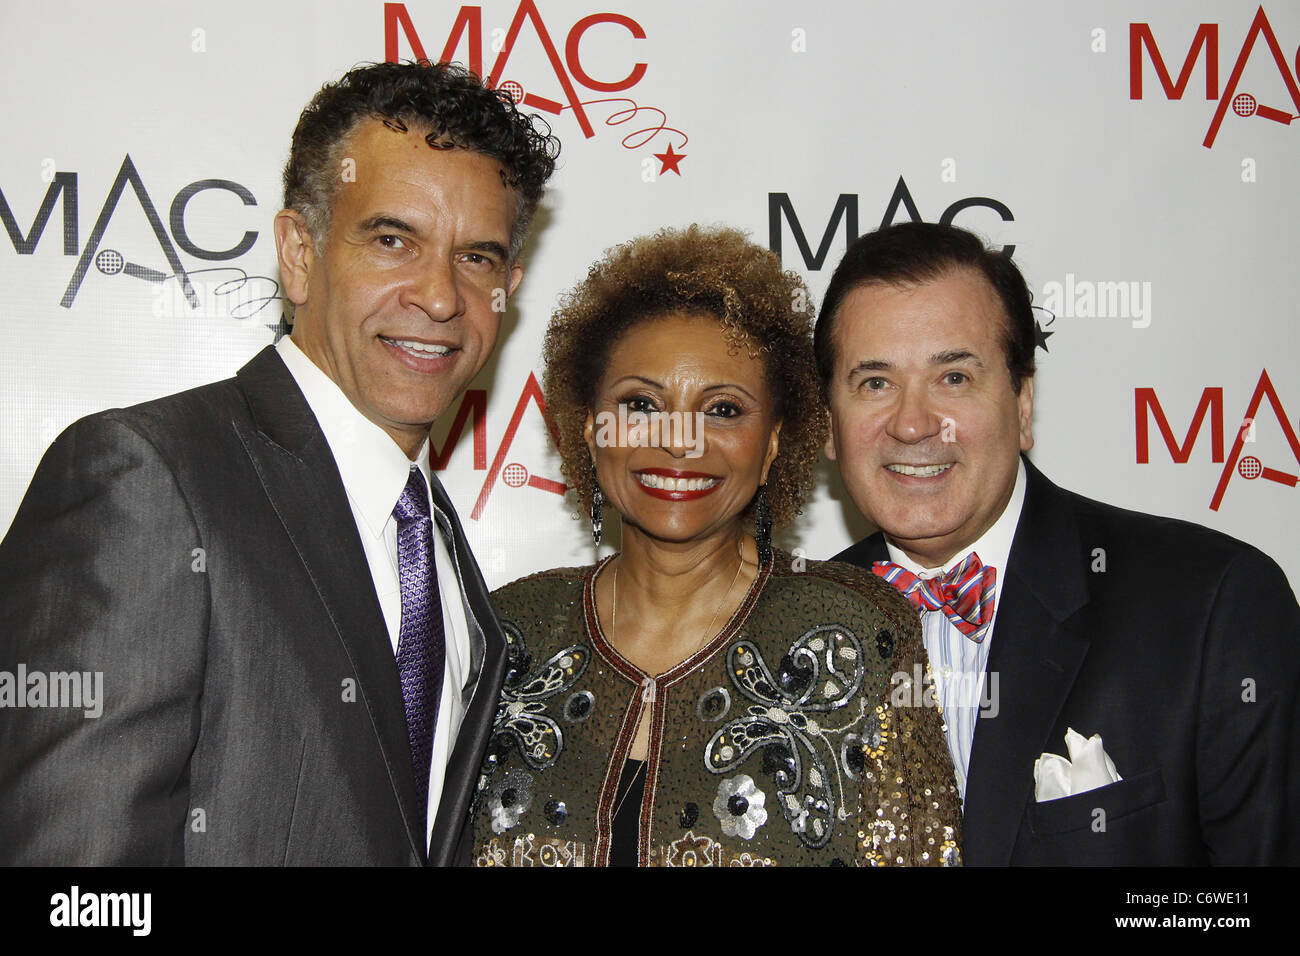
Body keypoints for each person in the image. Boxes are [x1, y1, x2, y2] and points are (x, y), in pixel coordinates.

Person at [0, 61, 559, 865]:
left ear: (508, 287)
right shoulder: (152, 479)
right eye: (393, 239)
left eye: (476, 258)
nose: (439, 297)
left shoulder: (437, 544)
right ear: (299, 253)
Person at [470, 225, 962, 867]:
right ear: (589, 430)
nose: (680, 441)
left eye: (723, 410)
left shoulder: (858, 636)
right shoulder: (507, 635)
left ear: (776, 444)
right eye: (642, 404)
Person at [817, 221, 1300, 865]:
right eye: (875, 383)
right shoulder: (788, 630)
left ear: (1022, 402)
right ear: (828, 423)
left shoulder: (1212, 604)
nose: (912, 423)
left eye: (954, 377)